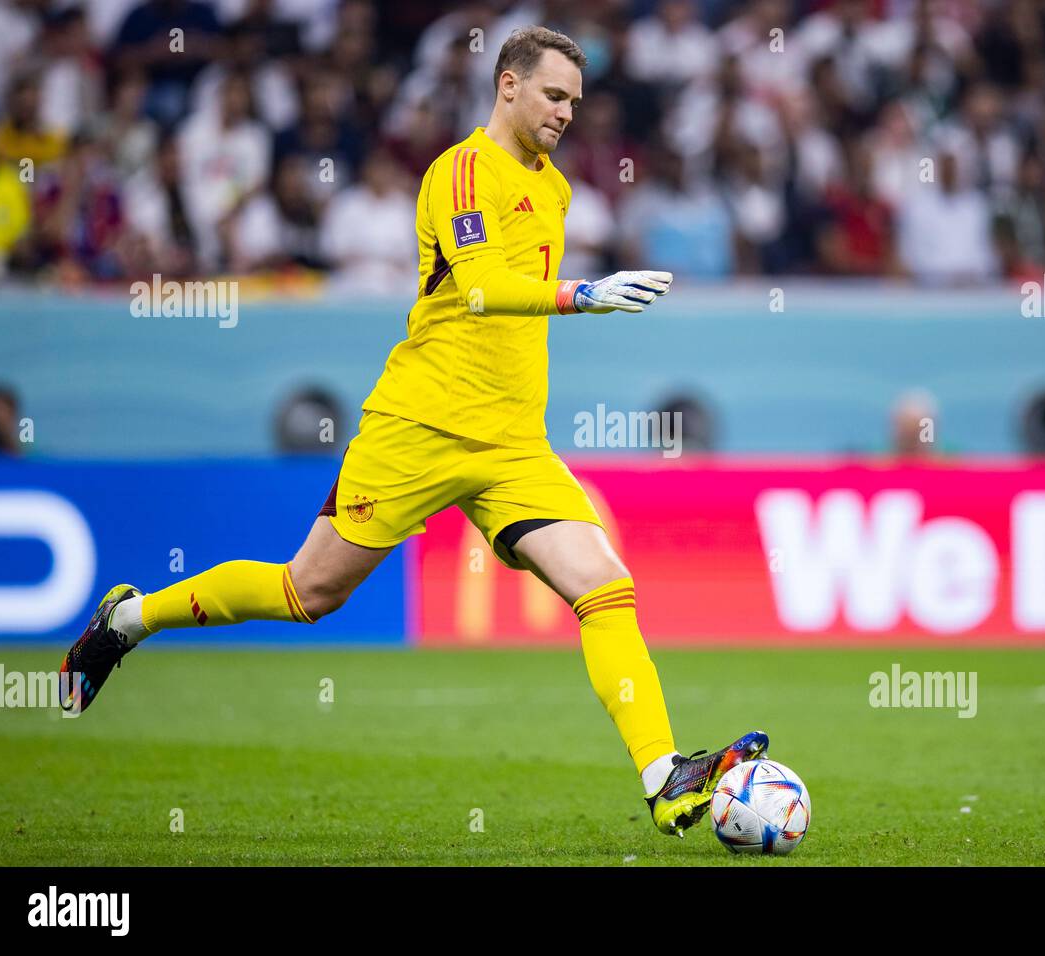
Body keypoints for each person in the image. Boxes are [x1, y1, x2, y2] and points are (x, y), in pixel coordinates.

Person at [60, 25, 766, 839]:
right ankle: (129, 620)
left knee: (607, 588)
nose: (566, 112)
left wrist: (576, 304)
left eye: (575, 100)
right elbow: (478, 288)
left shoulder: (558, 190)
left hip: (512, 446)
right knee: (307, 593)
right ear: (508, 85)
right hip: (417, 428)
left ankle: (663, 777)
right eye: (552, 94)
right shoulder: (462, 171)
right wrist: (586, 295)